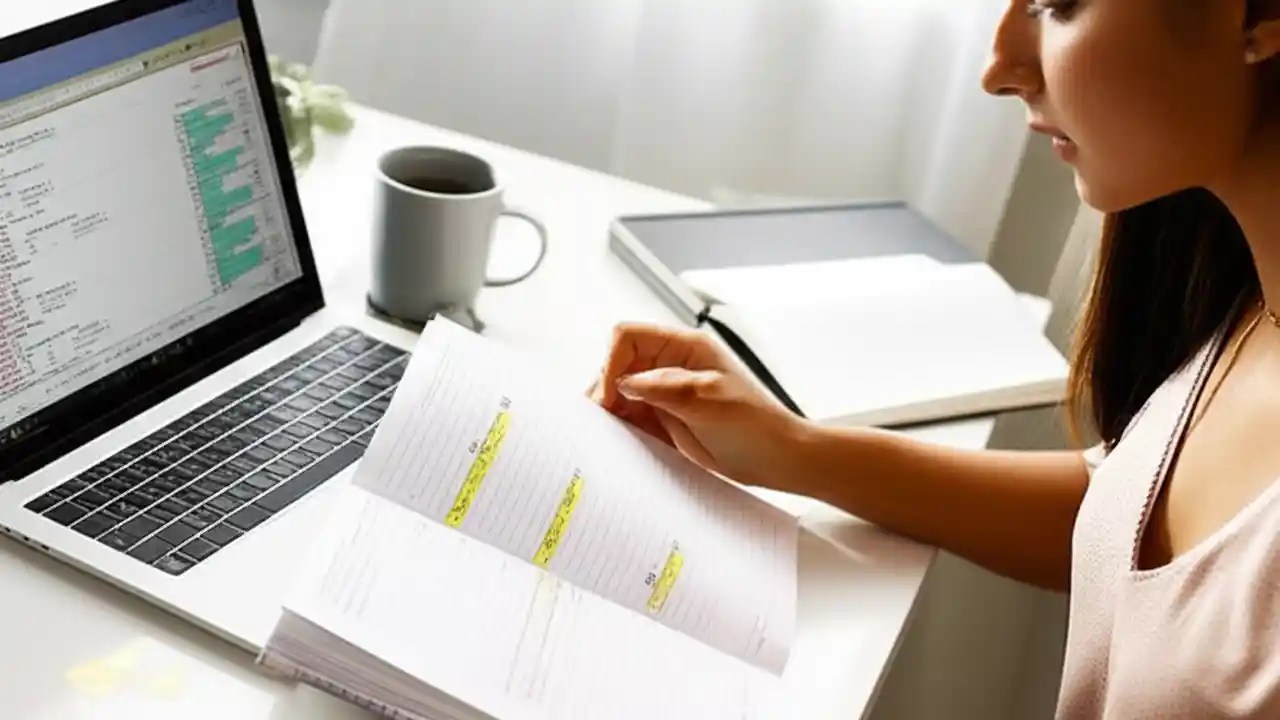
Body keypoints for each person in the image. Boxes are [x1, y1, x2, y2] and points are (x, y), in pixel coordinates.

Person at [589, 1, 1280, 717]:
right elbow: (1151, 534)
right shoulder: (1247, 301)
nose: (999, 70)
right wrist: (792, 450)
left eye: (1057, 4)